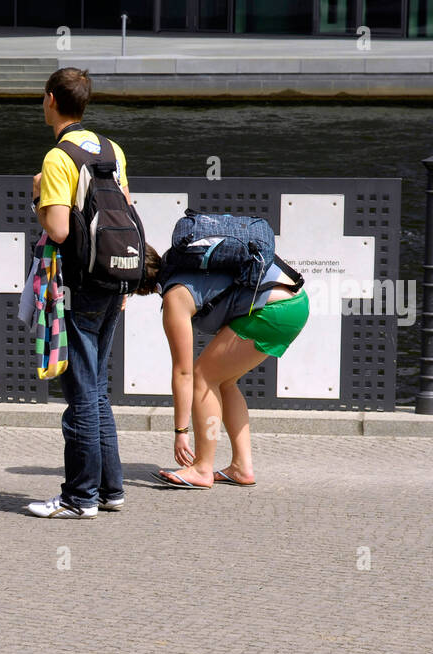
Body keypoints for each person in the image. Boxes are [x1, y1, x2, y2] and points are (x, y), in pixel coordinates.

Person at [25, 67, 135, 519]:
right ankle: (111, 490)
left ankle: (79, 496)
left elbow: (56, 228)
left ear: (51, 99)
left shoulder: (58, 158)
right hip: (114, 276)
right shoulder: (112, 149)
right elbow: (126, 208)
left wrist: (37, 195)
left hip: (78, 285)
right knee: (98, 389)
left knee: (82, 395)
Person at [154, 253, 309, 489]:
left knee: (202, 376)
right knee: (224, 381)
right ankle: (241, 467)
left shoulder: (175, 294)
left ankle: (202, 468)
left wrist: (181, 431)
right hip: (296, 302)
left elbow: (183, 372)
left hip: (274, 308)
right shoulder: (190, 269)